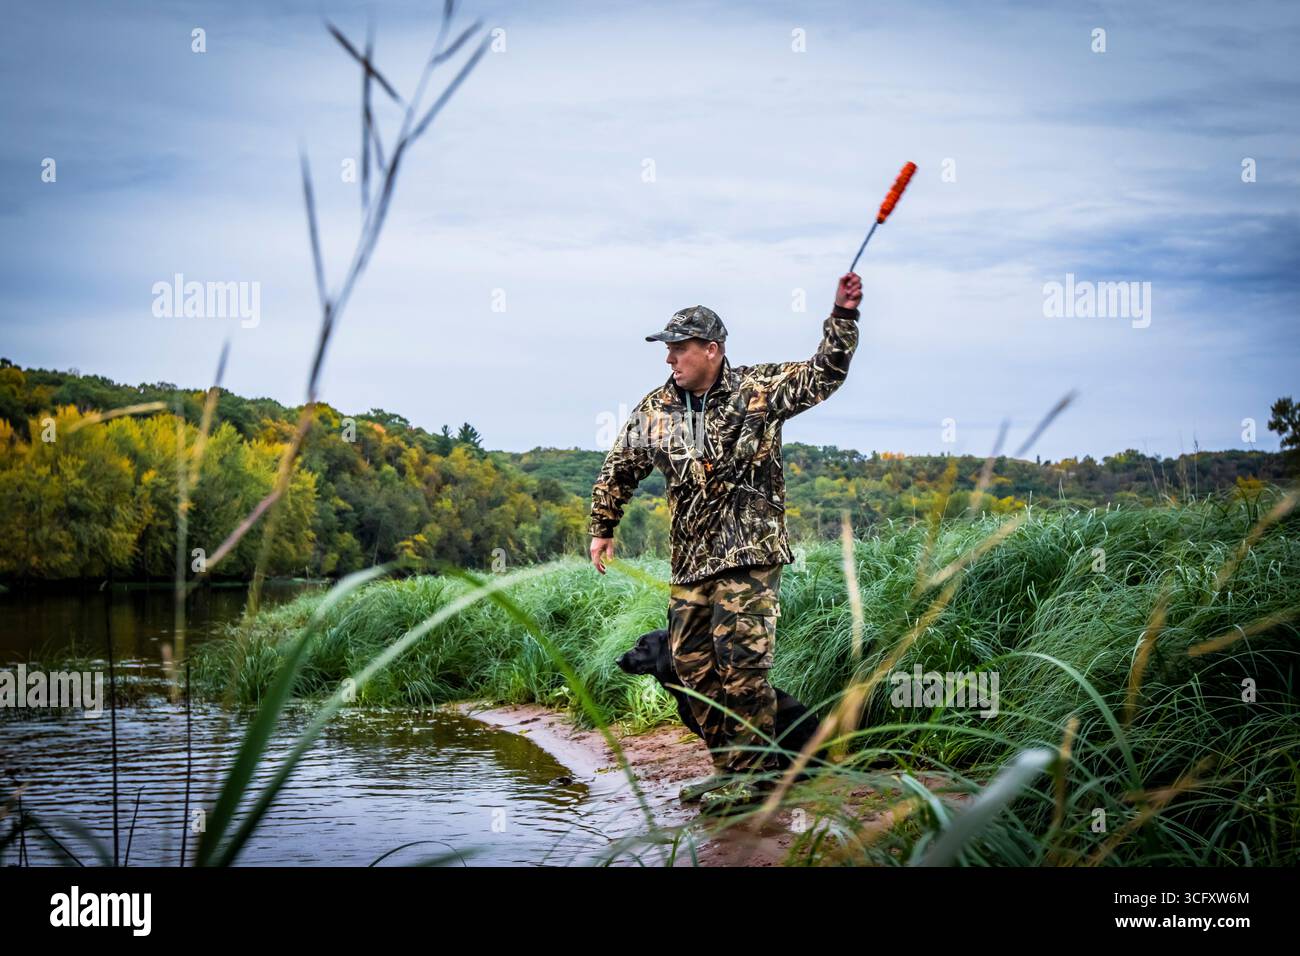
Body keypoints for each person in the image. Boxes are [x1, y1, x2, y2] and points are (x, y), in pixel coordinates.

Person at [588, 273, 863, 812]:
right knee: (691, 669)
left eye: (680, 349)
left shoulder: (756, 392)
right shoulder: (657, 409)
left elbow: (823, 373)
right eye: (667, 350)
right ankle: (730, 769)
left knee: (742, 667)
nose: (671, 360)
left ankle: (756, 782)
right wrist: (603, 525)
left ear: (712, 350)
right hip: (690, 561)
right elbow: (620, 466)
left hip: (748, 554)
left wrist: (843, 316)